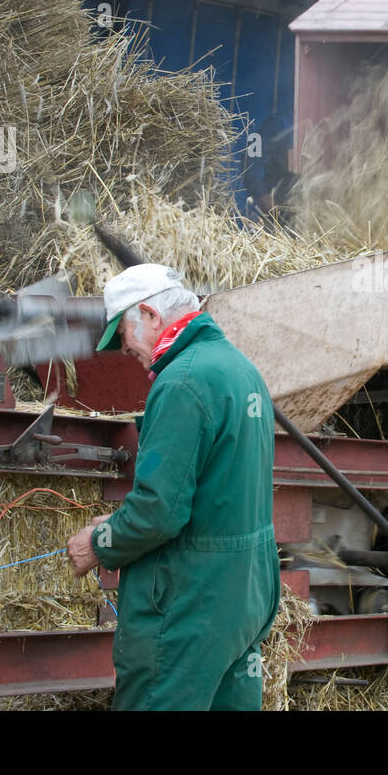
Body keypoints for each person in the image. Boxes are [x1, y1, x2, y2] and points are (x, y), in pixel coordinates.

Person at [65, 263, 279, 710]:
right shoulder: (242, 371)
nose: (128, 351)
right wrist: (127, 521)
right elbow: (209, 493)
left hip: (188, 606)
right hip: (244, 597)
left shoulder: (181, 381)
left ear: (149, 314)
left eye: (124, 336)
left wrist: (100, 542)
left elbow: (160, 513)